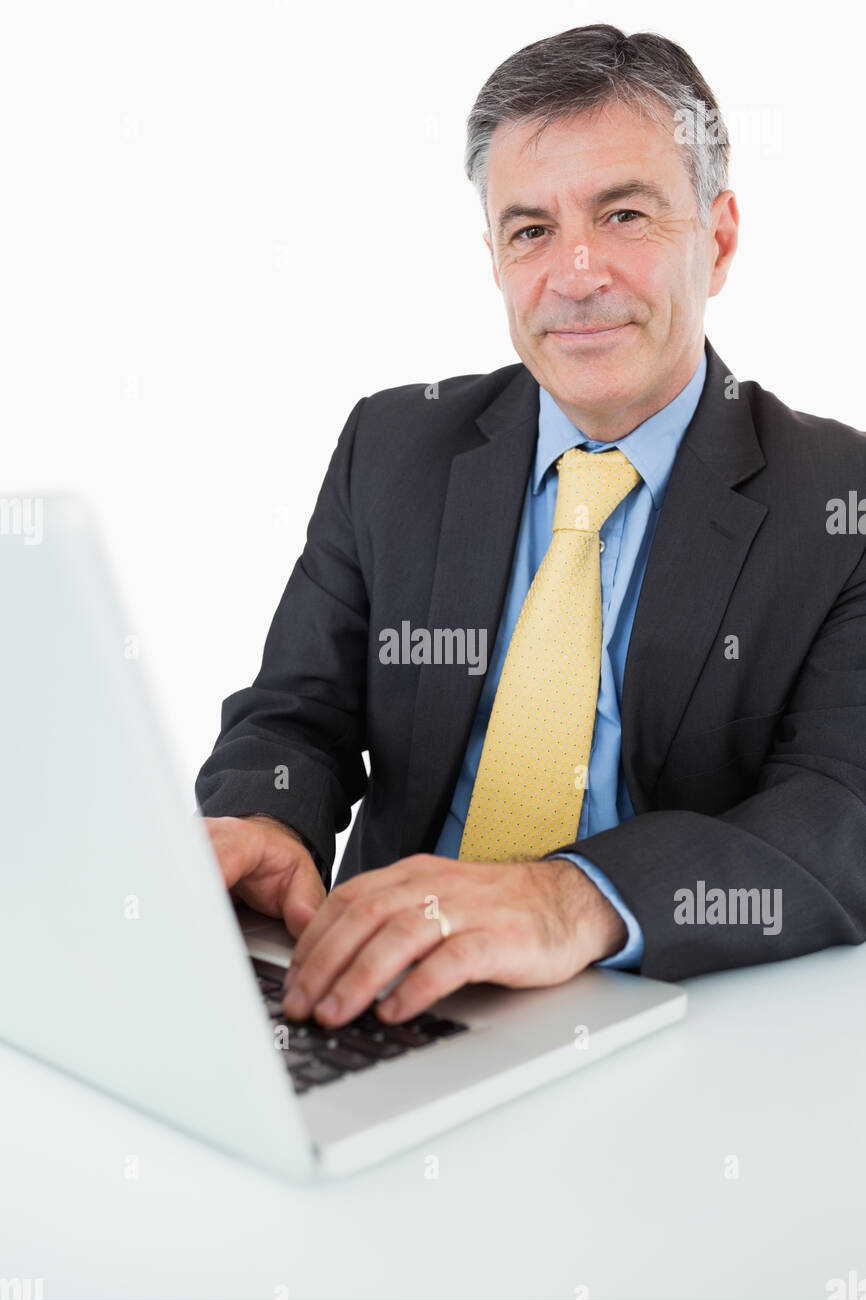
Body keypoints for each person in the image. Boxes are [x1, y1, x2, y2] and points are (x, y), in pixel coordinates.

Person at [195, 24, 866, 1030]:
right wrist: (264, 817)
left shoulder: (837, 500)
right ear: (495, 257)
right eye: (529, 230)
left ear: (717, 239)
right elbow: (299, 710)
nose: (576, 271)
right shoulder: (393, 444)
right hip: (381, 996)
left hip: (658, 1021)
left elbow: (839, 809)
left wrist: (572, 896)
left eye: (624, 213)